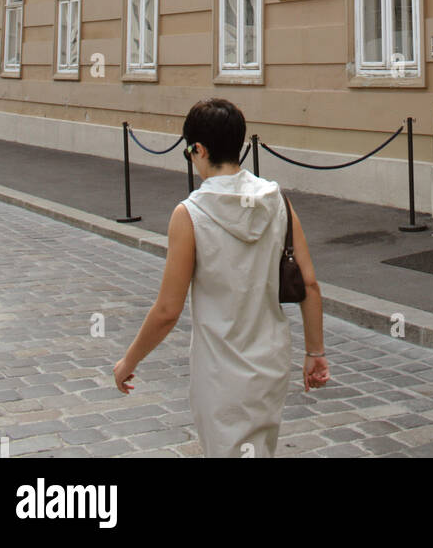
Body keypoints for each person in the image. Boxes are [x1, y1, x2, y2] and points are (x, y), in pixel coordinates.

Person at [113, 98, 329, 457]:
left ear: (198, 149)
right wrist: (315, 351)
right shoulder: (277, 201)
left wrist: (129, 361)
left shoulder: (190, 214)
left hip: (219, 368)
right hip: (270, 361)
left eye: (189, 151)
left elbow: (168, 310)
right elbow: (309, 284)